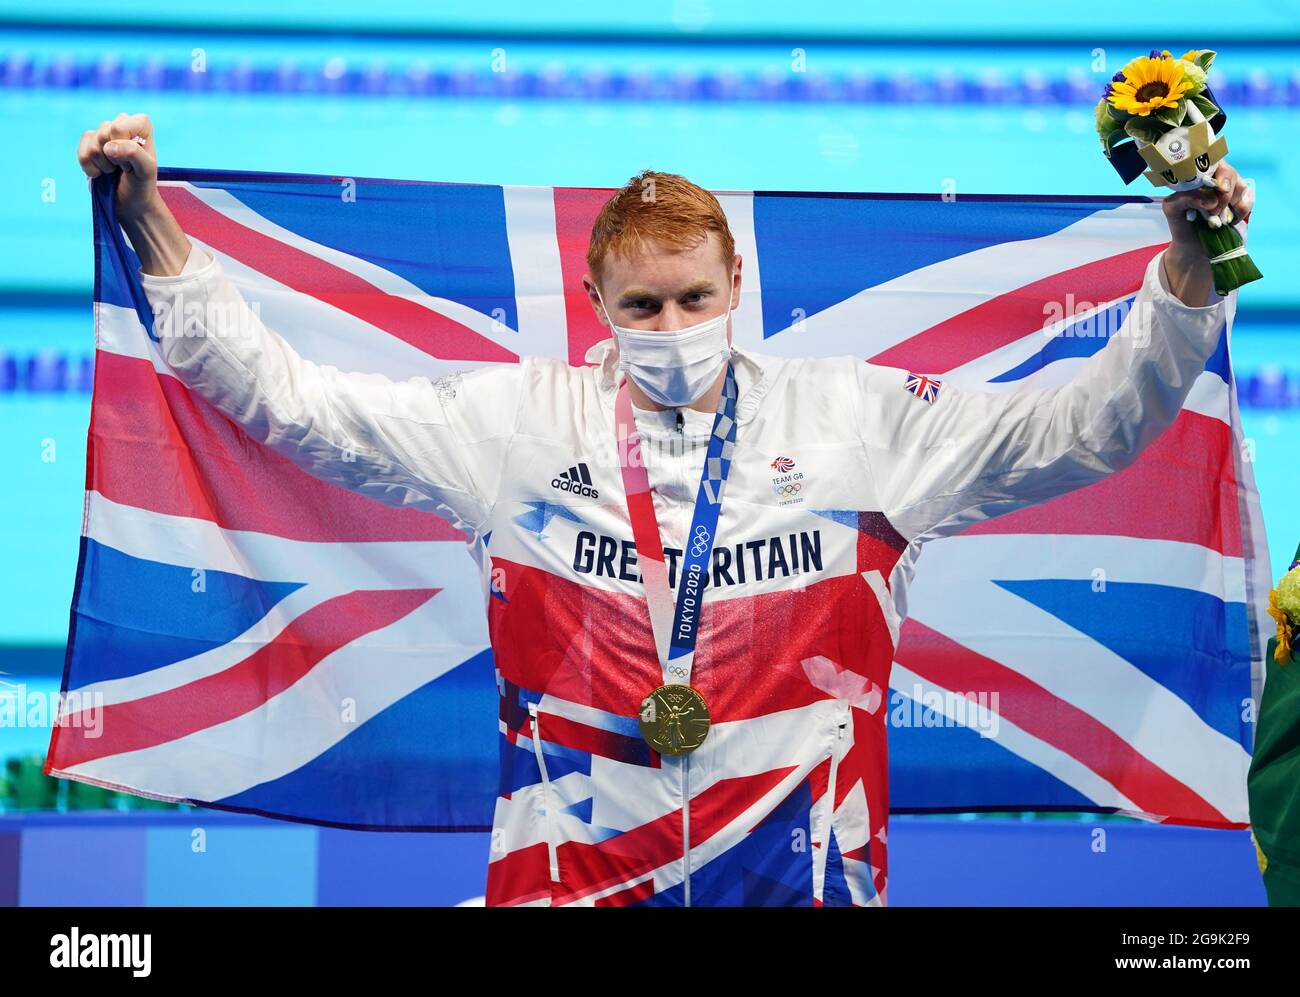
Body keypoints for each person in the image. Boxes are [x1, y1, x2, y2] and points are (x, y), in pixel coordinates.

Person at [78, 111, 1253, 907]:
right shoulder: (515, 426)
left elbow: (1091, 424)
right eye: (641, 305)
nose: (672, 326)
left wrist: (1189, 275)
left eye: (695, 296)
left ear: (740, 285)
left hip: (808, 880)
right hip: (567, 879)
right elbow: (292, 405)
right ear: (594, 300)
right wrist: (155, 231)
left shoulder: (861, 422)